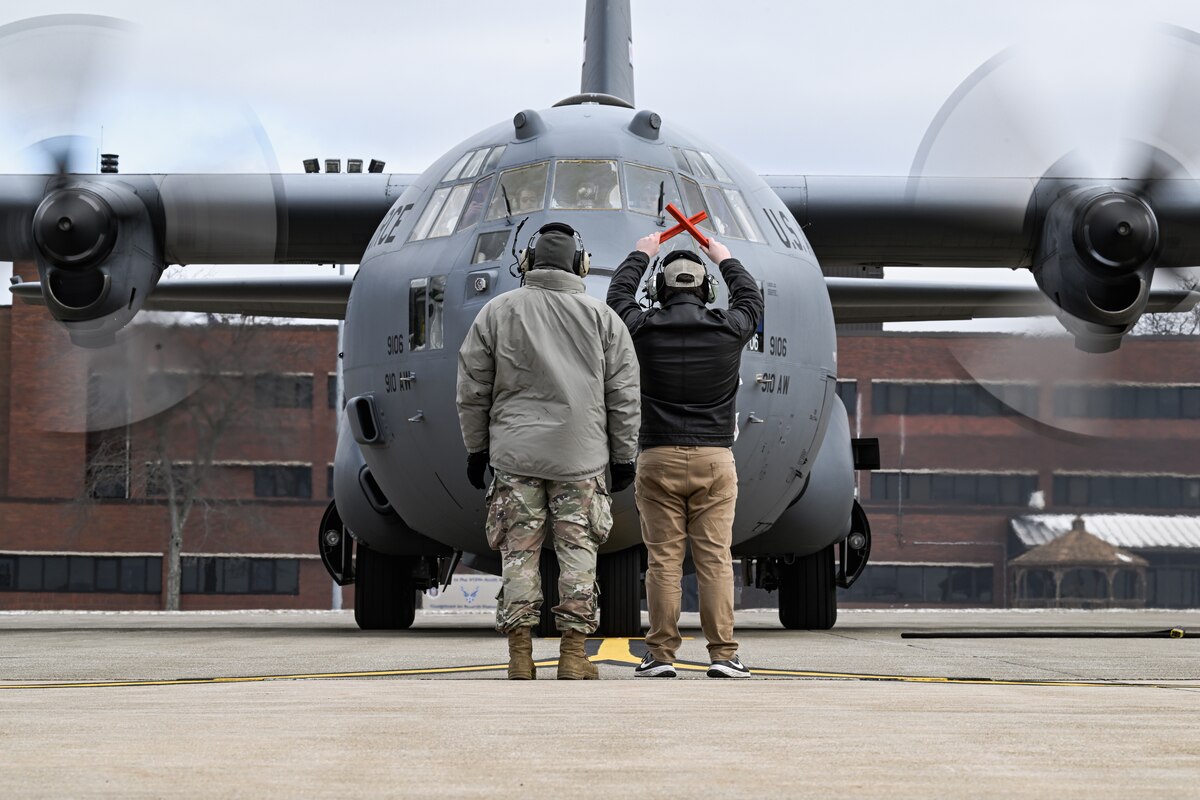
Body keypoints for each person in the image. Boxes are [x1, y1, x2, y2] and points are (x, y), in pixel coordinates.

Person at [457, 221, 641, 680]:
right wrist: (623, 457)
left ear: (527, 263)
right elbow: (624, 395)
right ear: (581, 265)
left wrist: (477, 449)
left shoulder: (497, 312)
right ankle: (573, 656)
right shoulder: (604, 319)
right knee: (579, 553)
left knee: (518, 555)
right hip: (582, 459)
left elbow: (472, 389)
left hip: (514, 456)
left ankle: (520, 656)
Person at [606, 233, 764, 679]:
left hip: (657, 458)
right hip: (715, 459)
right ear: (706, 290)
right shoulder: (730, 328)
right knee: (714, 558)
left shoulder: (641, 328)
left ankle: (660, 654)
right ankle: (723, 655)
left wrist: (642, 252)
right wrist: (725, 258)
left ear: (659, 290)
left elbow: (618, 294)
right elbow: (751, 298)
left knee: (663, 562)